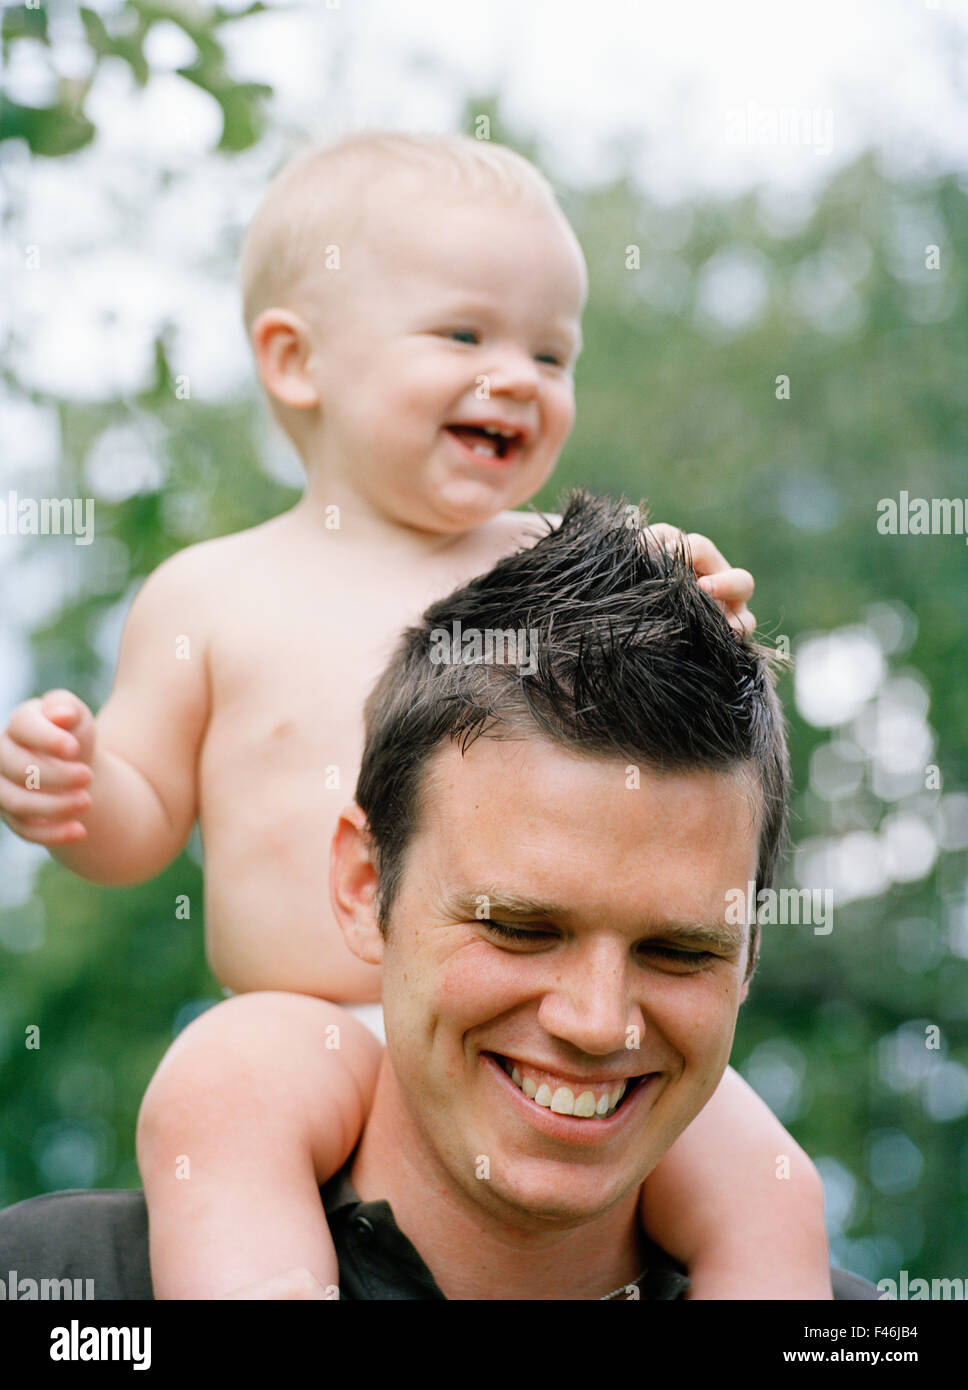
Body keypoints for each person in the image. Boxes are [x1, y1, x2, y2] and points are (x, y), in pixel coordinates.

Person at [0, 132, 825, 1298]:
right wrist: (73, 787)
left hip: (532, 1046)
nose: (520, 375)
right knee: (214, 1099)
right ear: (296, 361)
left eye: (552, 351)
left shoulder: (549, 563)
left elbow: (666, 687)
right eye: (464, 335)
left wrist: (698, 600)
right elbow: (139, 821)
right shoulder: (216, 590)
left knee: (769, 1183)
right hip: (306, 1019)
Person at [0, 494, 876, 1300]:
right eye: (520, 928)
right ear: (361, 883)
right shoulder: (60, 1281)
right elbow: (133, 814)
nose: (599, 1022)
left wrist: (670, 584)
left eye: (680, 948)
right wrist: (81, 784)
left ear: (753, 950)